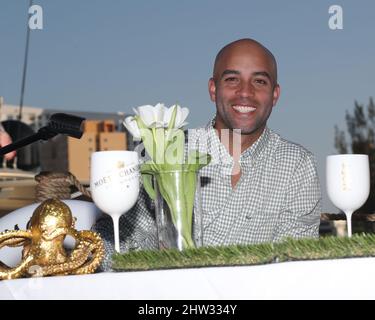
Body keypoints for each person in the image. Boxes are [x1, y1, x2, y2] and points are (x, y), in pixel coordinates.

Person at [93, 38, 322, 271]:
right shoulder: (165, 151)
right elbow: (119, 237)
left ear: (275, 95)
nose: (245, 92)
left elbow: (294, 262)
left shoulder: (297, 165)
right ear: (213, 89)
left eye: (259, 81)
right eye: (232, 79)